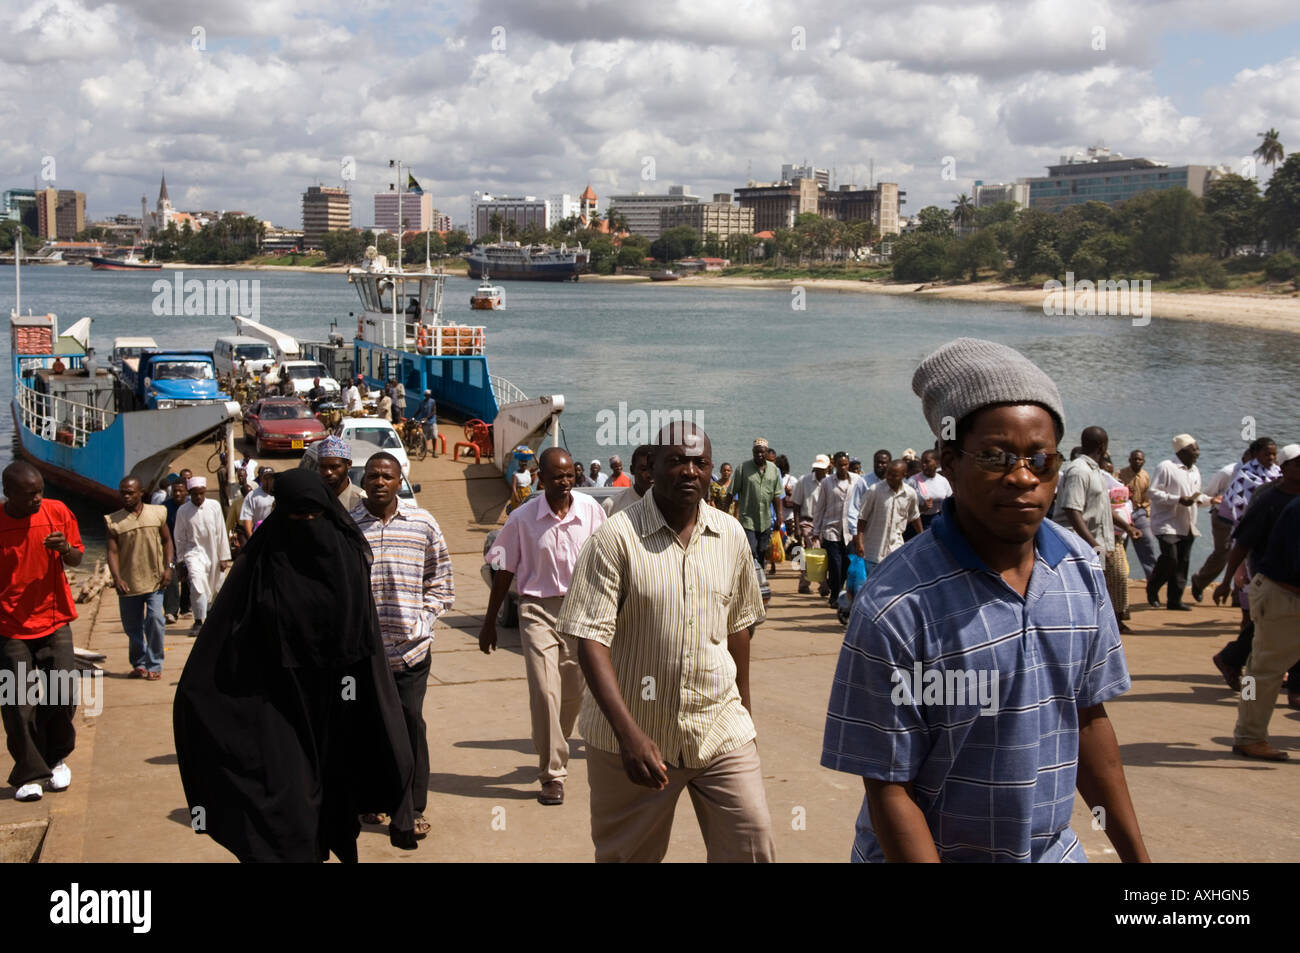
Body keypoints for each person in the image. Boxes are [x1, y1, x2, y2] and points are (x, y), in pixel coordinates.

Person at [822, 337, 1148, 863]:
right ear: (949, 462)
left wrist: (1139, 860)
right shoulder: (896, 606)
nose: (1022, 477)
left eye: (1040, 459)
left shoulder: (1080, 573)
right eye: (996, 457)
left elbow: (1088, 720)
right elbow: (889, 786)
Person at [557, 422, 775, 862]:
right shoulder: (614, 540)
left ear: (712, 470)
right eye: (676, 461)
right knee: (628, 855)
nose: (689, 471)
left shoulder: (731, 535)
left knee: (751, 841)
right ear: (651, 468)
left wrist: (745, 720)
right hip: (634, 740)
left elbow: (739, 629)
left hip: (719, 729)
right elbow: (590, 642)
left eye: (700, 463)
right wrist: (629, 735)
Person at [173, 469, 414, 861]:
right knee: (289, 807)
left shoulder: (345, 555)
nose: (305, 526)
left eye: (312, 516)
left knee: (334, 796)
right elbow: (227, 637)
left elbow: (363, 640)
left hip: (338, 706)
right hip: (278, 704)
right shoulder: (261, 563)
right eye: (295, 517)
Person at [481, 448, 606, 805]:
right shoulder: (522, 519)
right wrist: (490, 621)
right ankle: (552, 774)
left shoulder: (592, 512)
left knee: (573, 694)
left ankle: (556, 740)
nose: (564, 483)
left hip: (580, 612)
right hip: (537, 610)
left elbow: (606, 562)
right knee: (544, 690)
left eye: (569, 476)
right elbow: (503, 571)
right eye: (556, 477)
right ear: (541, 478)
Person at [351, 453, 454, 847]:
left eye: (387, 476)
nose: (379, 482)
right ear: (363, 481)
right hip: (362, 652)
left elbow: (441, 579)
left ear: (399, 482)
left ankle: (413, 807)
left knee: (410, 724)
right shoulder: (348, 525)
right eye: (373, 476)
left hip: (410, 650)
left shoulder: (422, 523)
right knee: (368, 727)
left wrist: (423, 621)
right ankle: (373, 800)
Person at [0, 461, 84, 803]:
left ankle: (57, 757)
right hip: (10, 627)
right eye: (30, 494)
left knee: (62, 692)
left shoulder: (57, 512)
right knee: (18, 701)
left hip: (54, 618)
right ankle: (30, 772)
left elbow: (77, 557)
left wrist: (65, 549)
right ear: (8, 493)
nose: (38, 499)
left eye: (41, 491)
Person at [1211, 444, 1300, 700]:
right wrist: (1228, 580)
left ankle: (1293, 685)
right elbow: (1243, 541)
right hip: (1268, 573)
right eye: (1298, 464)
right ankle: (1236, 662)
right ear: (1283, 468)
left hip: (1295, 574)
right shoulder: (1267, 497)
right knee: (1266, 628)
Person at [1228, 491, 1300, 761]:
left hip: (1283, 594)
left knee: (1257, 671)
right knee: (1260, 674)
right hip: (1283, 598)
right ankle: (1247, 737)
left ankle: (1247, 733)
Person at [1192, 438, 1279, 602]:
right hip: (1233, 521)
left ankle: (1238, 598)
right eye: (1267, 454)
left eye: (1274, 454)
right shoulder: (1240, 474)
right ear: (1254, 455)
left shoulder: (1279, 473)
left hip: (1270, 530)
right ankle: (1203, 582)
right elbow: (1235, 503)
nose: (1271, 458)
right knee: (1227, 554)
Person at [106, 477, 174, 680]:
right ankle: (139, 663)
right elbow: (112, 552)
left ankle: (155, 665)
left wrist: (168, 567)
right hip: (128, 583)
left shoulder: (157, 513)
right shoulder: (113, 520)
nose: (126, 496)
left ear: (141, 492)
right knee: (132, 627)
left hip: (155, 580)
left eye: (130, 492)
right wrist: (116, 578)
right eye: (123, 492)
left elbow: (167, 540)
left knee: (155, 619)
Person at [1147, 435, 1212, 611]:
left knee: (1182, 562)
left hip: (1187, 523)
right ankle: (1153, 587)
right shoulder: (1166, 467)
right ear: (1183, 451)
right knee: (1170, 557)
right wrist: (1177, 499)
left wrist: (1211, 500)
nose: (1198, 452)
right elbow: (1152, 493)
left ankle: (1174, 600)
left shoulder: (1195, 471)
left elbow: (1196, 496)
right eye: (1194, 449)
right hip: (1166, 522)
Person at [174, 477, 232, 636]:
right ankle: (199, 621)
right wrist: (180, 562)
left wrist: (224, 556)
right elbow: (179, 537)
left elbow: (221, 532)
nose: (198, 497)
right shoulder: (183, 511)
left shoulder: (214, 506)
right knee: (197, 584)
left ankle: (212, 619)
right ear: (189, 493)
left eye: (201, 493)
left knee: (215, 588)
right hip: (193, 553)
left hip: (213, 553)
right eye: (194, 494)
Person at [853, 459, 922, 576]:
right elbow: (862, 518)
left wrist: (922, 537)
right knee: (871, 588)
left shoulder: (910, 494)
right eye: (888, 473)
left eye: (894, 475)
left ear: (904, 475)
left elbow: (915, 517)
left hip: (896, 549)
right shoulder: (875, 490)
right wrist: (859, 542)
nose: (889, 477)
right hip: (872, 552)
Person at [813, 452, 862, 608]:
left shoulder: (857, 481)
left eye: (846, 464)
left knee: (847, 564)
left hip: (850, 531)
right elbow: (820, 507)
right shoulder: (827, 483)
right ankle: (835, 594)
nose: (843, 467)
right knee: (835, 564)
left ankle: (840, 591)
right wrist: (816, 530)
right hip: (831, 529)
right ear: (834, 465)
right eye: (840, 464)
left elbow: (863, 505)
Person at [731, 438, 785, 565]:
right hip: (748, 519)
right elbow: (731, 493)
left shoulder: (774, 470)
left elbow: (777, 495)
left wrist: (779, 516)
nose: (759, 455)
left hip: (766, 520)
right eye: (756, 452)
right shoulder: (742, 468)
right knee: (751, 550)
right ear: (752, 452)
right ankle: (751, 577)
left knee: (762, 550)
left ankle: (759, 578)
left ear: (767, 452)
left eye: (762, 452)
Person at [1116, 450, 1159, 579]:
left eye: (1140, 459)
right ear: (1129, 460)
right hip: (1122, 513)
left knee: (1147, 542)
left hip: (1139, 513)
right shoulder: (1120, 474)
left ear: (1144, 461)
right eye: (1134, 459)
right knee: (1120, 547)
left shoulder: (1145, 476)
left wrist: (1148, 514)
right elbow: (1113, 493)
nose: (1137, 462)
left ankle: (1152, 578)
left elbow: (1147, 499)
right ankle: (1119, 576)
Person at [791, 455, 829, 595]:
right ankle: (823, 584)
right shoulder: (804, 481)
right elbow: (796, 504)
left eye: (822, 469)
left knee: (813, 554)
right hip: (808, 522)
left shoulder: (830, 482)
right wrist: (796, 527)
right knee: (816, 550)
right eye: (817, 468)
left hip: (825, 523)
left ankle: (803, 583)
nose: (819, 471)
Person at [163, 477, 191, 624]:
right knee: (171, 578)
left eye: (181, 490)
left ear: (186, 491)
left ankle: (186, 607)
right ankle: (171, 611)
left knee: (188, 577)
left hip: (188, 548)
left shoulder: (191, 506)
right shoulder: (165, 508)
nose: (178, 493)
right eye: (175, 491)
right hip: (171, 550)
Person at [316, 435, 366, 512]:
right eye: (323, 467)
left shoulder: (363, 501)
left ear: (349, 464)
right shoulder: (314, 498)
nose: (328, 472)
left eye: (334, 467)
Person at [907, 449, 951, 532]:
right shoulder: (913, 481)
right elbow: (904, 508)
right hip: (919, 523)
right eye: (922, 462)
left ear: (937, 463)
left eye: (927, 462)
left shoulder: (943, 480)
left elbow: (950, 501)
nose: (923, 465)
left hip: (939, 520)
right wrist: (922, 508)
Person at [608, 445, 653, 516]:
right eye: (643, 469)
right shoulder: (611, 506)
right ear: (632, 470)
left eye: (654, 468)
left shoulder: (672, 505)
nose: (649, 475)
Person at [239, 467, 276, 539]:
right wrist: (251, 538)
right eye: (266, 478)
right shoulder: (252, 496)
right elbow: (247, 519)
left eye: (271, 478)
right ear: (261, 479)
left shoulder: (280, 493)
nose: (268, 481)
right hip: (260, 535)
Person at [414, 390, 438, 457]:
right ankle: (423, 451)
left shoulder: (432, 401)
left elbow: (434, 411)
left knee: (434, 436)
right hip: (424, 423)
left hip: (432, 422)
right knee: (424, 437)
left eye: (428, 395)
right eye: (426, 395)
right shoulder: (422, 402)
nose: (427, 396)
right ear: (425, 395)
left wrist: (427, 418)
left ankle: (434, 451)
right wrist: (413, 417)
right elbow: (419, 410)